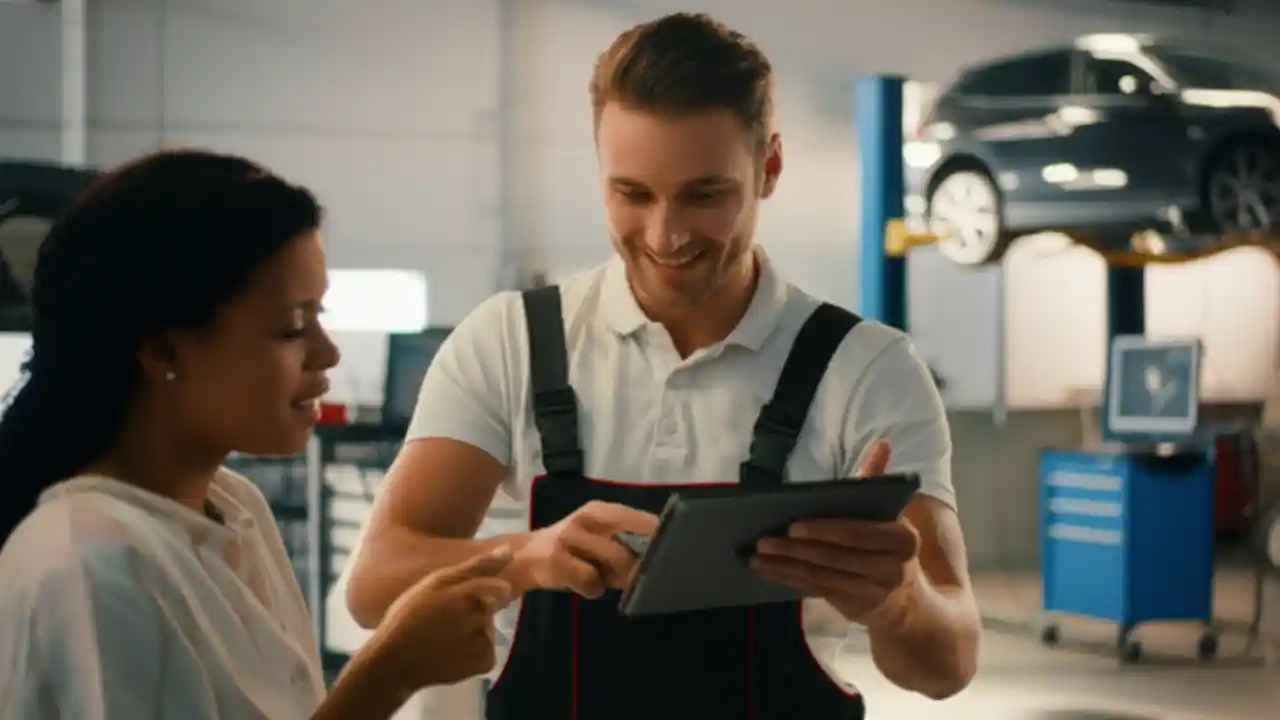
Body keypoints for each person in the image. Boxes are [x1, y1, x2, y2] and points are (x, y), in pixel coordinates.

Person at [346, 11, 981, 719]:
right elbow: (375, 586)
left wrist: (900, 601)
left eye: (704, 195)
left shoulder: (867, 368)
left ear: (769, 167)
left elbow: (948, 665)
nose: (665, 234)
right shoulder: (510, 341)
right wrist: (527, 556)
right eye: (633, 194)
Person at [0, 149, 512, 720]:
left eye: (321, 316)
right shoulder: (92, 564)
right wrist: (390, 671)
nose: (328, 352)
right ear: (164, 350)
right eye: (293, 328)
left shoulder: (233, 504)